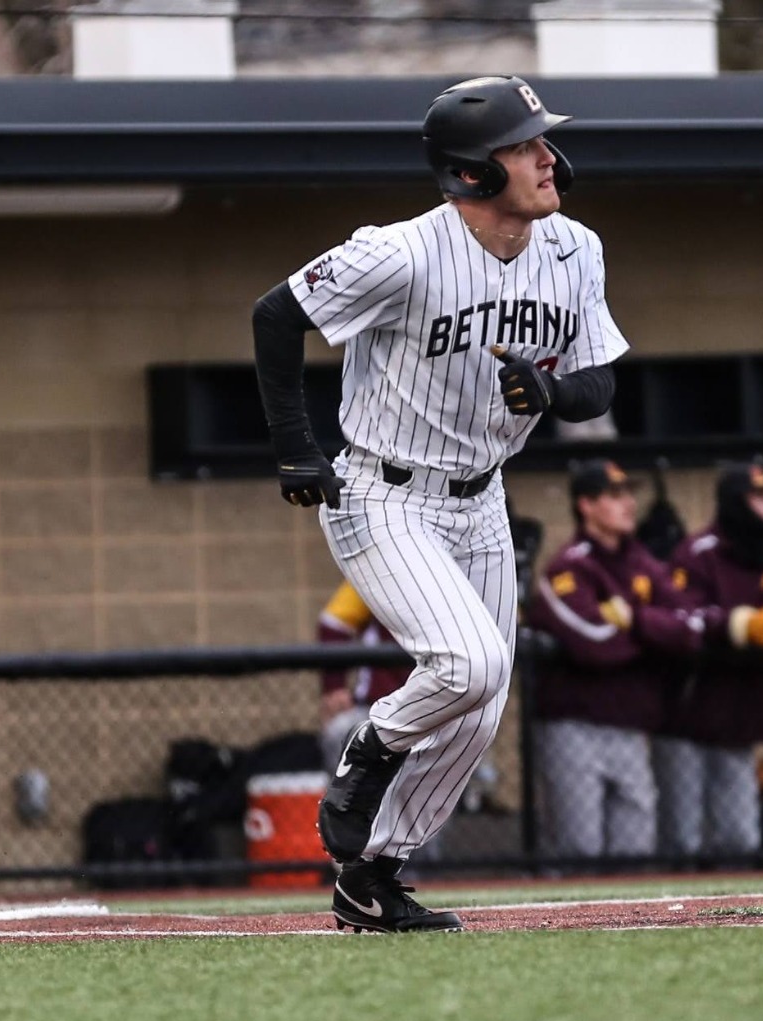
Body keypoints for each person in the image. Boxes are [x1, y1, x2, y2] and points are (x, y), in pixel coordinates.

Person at [252, 76, 625, 932]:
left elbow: (598, 381)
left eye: (543, 140)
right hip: (385, 491)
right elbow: (277, 316)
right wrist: (295, 447)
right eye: (523, 145)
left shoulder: (575, 249)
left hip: (481, 496)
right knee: (472, 664)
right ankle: (370, 746)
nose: (546, 156)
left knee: (483, 700)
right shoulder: (402, 251)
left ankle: (373, 875)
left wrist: (552, 393)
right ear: (471, 174)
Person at [524, 460, 709, 864]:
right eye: (614, 495)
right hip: (574, 726)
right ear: (586, 505)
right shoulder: (570, 566)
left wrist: (635, 620)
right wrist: (654, 636)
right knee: (579, 850)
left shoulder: (642, 562)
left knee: (636, 849)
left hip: (631, 725)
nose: (628, 504)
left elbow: (692, 626)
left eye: (629, 494)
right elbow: (595, 642)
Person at [660, 462, 763, 857]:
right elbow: (680, 616)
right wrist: (742, 624)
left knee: (740, 839)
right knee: (685, 838)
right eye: (759, 496)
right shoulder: (699, 552)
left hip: (742, 716)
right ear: (736, 503)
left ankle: (732, 912)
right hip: (689, 714)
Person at [315, 581, 410, 768]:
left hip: (440, 707)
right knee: (340, 732)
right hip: (376, 706)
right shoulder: (383, 566)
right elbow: (333, 623)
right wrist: (335, 686)